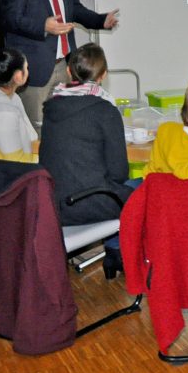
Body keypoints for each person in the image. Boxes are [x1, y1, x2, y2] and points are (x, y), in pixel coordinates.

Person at [0, 0, 120, 128]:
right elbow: (10, 19)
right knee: (37, 129)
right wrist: (43, 26)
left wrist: (101, 20)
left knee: (63, 125)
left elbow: (76, 10)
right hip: (35, 70)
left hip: (65, 66)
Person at [39, 44, 136, 278]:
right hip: (91, 204)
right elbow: (119, 173)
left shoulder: (50, 108)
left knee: (116, 188)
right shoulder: (105, 111)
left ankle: (114, 252)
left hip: (53, 205)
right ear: (103, 75)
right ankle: (117, 253)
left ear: (69, 72)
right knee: (141, 188)